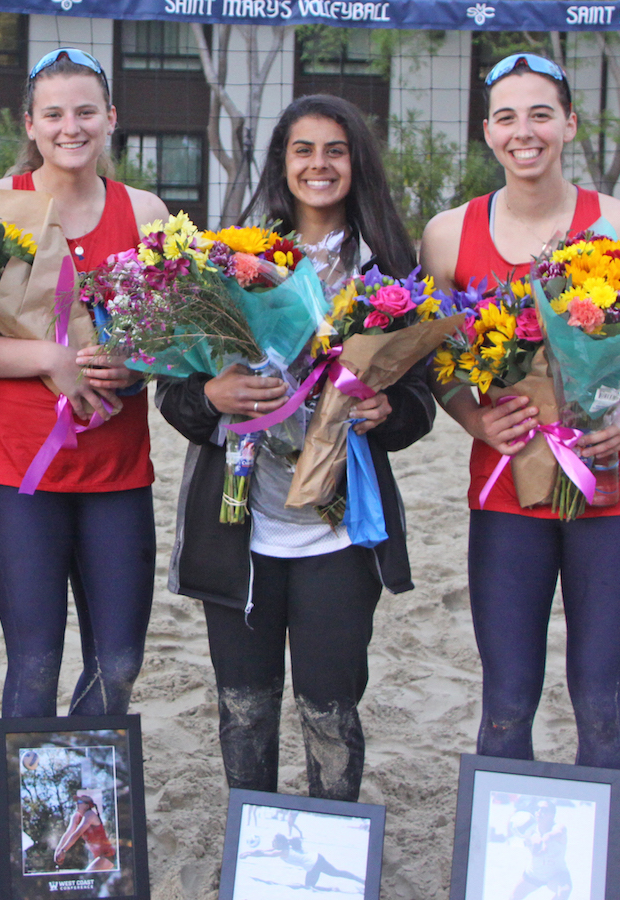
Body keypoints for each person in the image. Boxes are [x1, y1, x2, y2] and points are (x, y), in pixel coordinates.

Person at [419, 53, 620, 786]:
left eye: (541, 114)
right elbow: (434, 358)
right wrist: (474, 421)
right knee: (507, 702)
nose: (525, 132)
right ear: (487, 131)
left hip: (615, 487)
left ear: (569, 124)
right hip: (507, 489)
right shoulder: (448, 234)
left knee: (600, 703)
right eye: (507, 118)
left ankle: (596, 852)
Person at [155, 95, 433, 801]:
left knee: (330, 707)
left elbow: (420, 404)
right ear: (282, 162)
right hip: (239, 524)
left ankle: (331, 840)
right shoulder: (231, 260)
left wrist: (385, 411)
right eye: (303, 150)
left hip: (339, 531)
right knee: (244, 708)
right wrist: (213, 397)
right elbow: (173, 392)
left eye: (335, 150)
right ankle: (253, 843)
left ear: (356, 162)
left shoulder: (389, 269)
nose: (319, 164)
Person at [0, 48, 169, 718]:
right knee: (34, 665)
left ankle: (89, 790)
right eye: (54, 114)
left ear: (111, 118)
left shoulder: (145, 211)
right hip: (18, 472)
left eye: (86, 112)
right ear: (29, 124)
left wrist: (140, 364)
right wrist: (48, 358)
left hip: (118, 470)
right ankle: (30, 793)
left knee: (117, 666)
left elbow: (181, 341)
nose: (71, 127)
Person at [239, 833, 365, 892]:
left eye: (274, 841)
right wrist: (249, 852)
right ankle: (361, 881)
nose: (272, 843)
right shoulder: (285, 846)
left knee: (309, 887)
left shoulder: (282, 851)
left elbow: (265, 854)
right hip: (317, 858)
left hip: (313, 865)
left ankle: (333, 889)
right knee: (336, 873)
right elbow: (265, 850)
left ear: (280, 843)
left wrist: (249, 854)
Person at [508, 802, 571, 900]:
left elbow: (556, 833)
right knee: (514, 897)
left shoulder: (559, 827)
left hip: (556, 874)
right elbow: (515, 839)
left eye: (544, 810)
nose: (539, 812)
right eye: (537, 808)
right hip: (535, 874)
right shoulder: (530, 830)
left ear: (552, 815)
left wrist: (545, 840)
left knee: (564, 891)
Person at [52, 790, 116, 871]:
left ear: (87, 806)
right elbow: (68, 833)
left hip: (108, 855)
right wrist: (57, 851)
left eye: (80, 802)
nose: (77, 804)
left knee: (87, 875)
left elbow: (77, 834)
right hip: (97, 857)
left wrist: (63, 850)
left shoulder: (90, 815)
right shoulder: (76, 817)